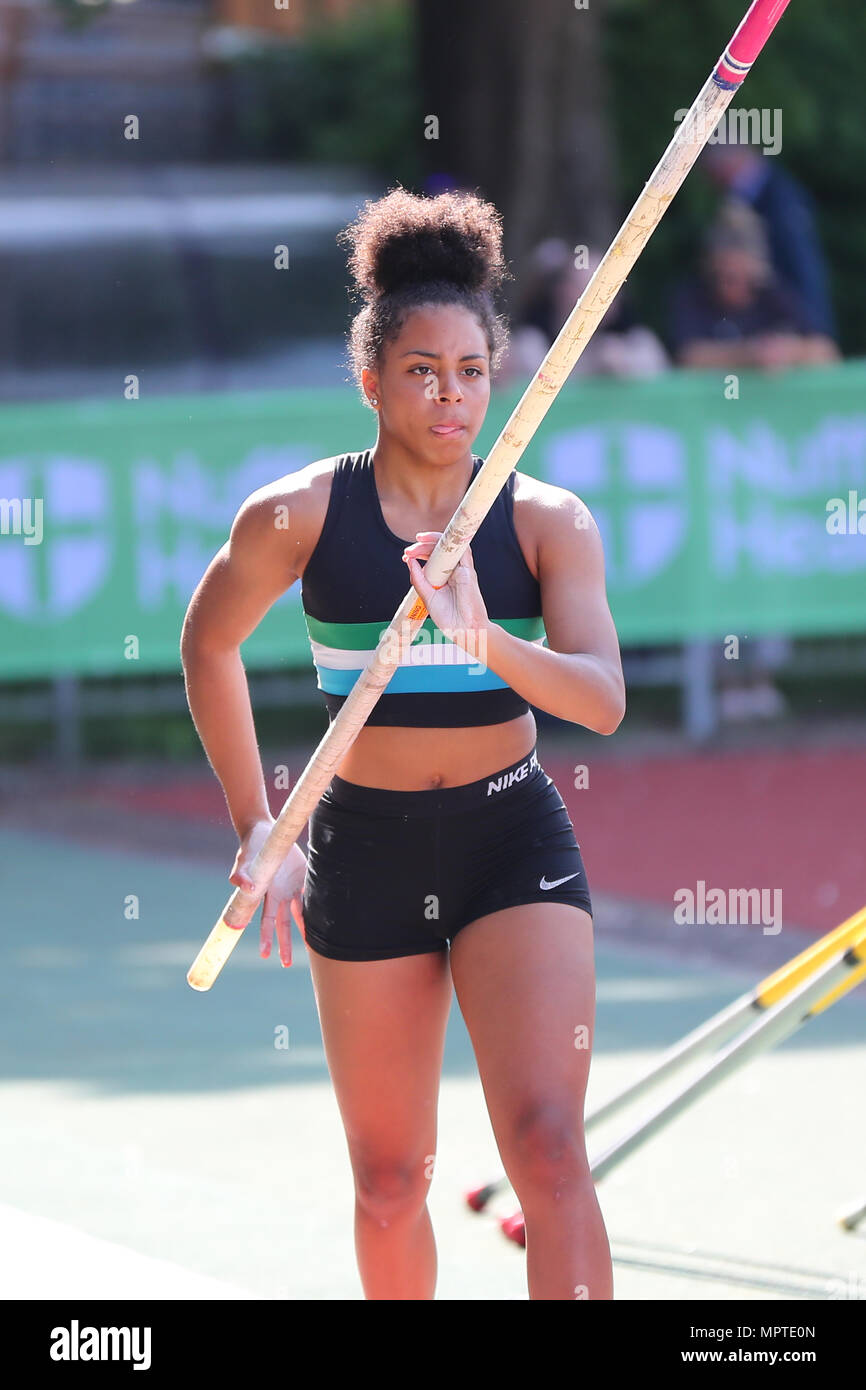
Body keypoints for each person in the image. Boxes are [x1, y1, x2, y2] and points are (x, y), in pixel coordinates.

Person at [181, 186, 625, 1301]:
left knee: (550, 1149)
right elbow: (207, 643)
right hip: (365, 847)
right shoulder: (297, 516)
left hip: (507, 837)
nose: (450, 395)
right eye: (421, 371)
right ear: (369, 378)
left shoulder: (542, 520)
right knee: (388, 1178)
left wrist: (486, 639)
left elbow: (603, 701)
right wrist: (259, 827)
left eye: (471, 370)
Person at [669, 198, 839, 371]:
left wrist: (787, 350)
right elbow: (687, 356)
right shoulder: (693, 296)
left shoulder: (774, 295)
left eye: (738, 277)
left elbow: (826, 351)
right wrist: (750, 353)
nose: (729, 286)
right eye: (722, 276)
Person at [701, 141, 837, 341]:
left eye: (711, 173)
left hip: (791, 321)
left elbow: (802, 267)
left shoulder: (780, 202)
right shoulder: (770, 194)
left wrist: (815, 329)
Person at [499, 237, 669, 385]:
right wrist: (593, 367)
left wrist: (627, 366)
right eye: (589, 288)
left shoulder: (639, 340)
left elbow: (668, 385)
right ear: (562, 291)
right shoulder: (530, 343)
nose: (604, 297)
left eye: (611, 287)